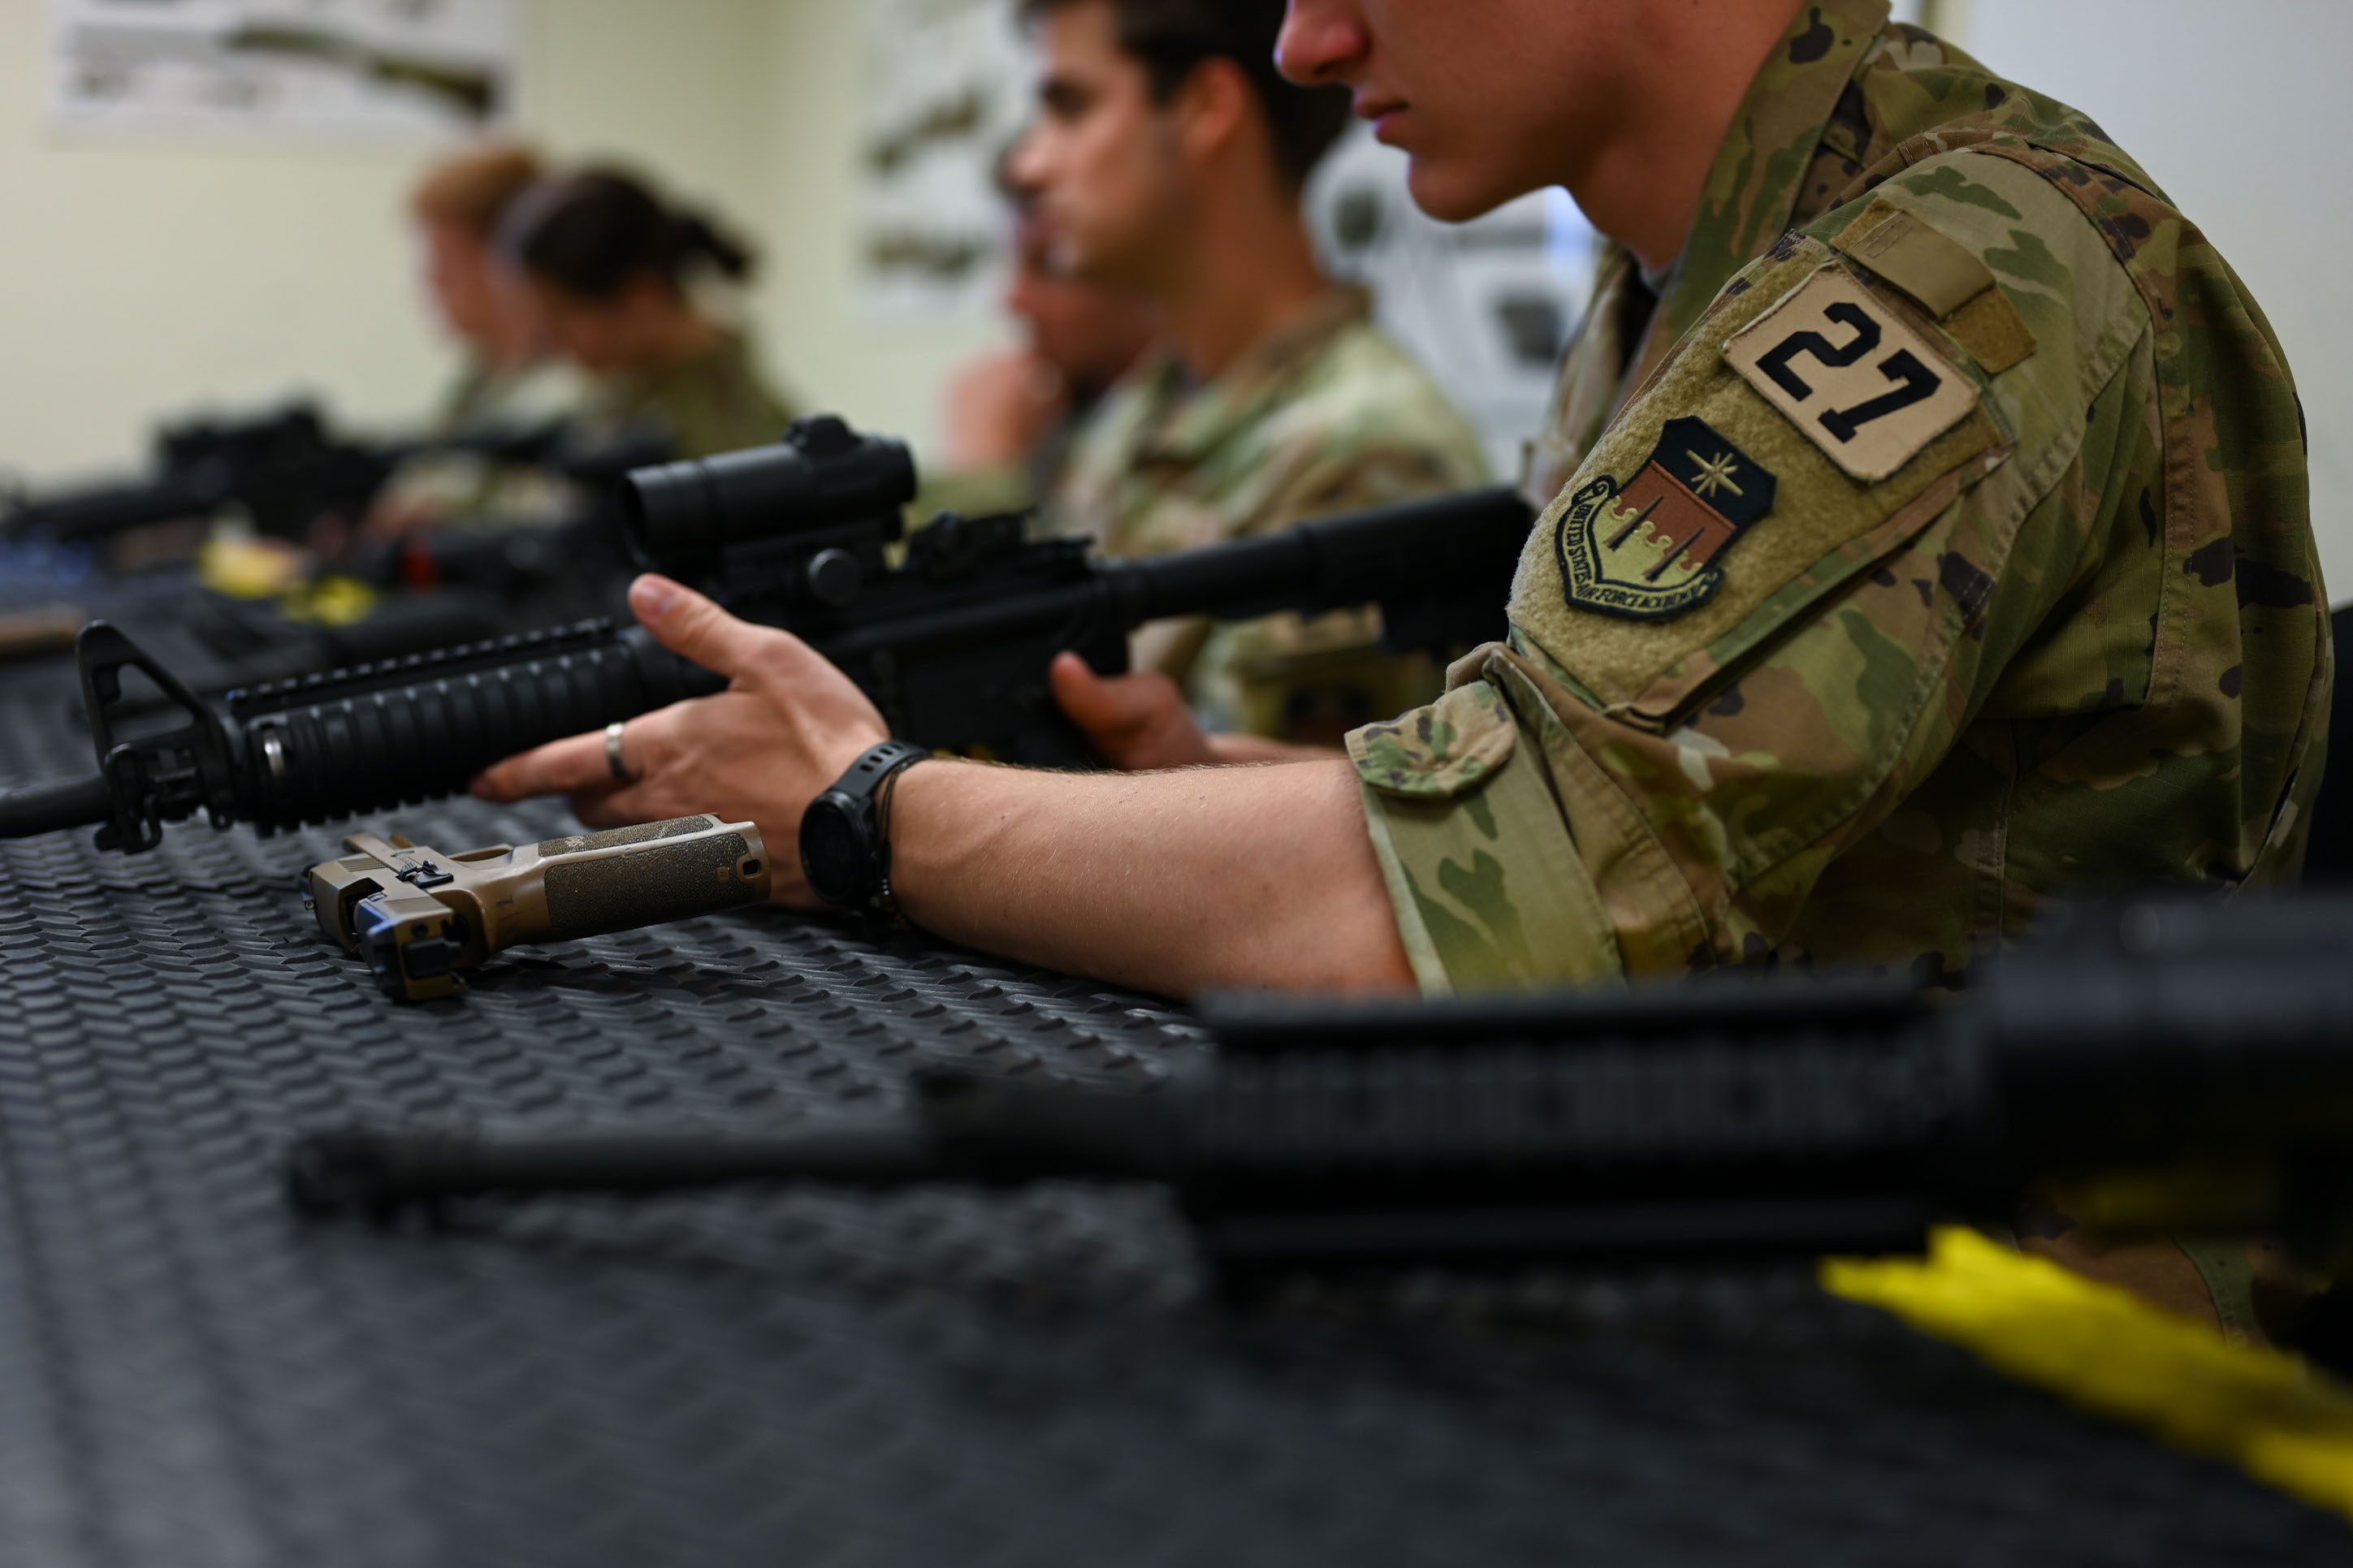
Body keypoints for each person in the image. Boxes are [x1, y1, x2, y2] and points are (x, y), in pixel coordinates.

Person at [475, 2, 2327, 1335]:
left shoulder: (1944, 272)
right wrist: (1206, 791)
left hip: (2016, 1336)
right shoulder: (1691, 264)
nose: (1301, 44)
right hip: (1753, 1200)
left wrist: (864, 807)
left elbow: (1451, 916)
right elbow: (1569, 792)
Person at [1009, 0, 1490, 749]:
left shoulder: (1364, 454)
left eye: (1072, 107)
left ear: (1207, 107)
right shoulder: (1141, 410)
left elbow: (1288, 844)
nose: (1029, 165)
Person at [361, 140, 580, 542]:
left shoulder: (581, 382)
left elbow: (565, 514)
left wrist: (446, 511)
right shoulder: (478, 381)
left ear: (509, 260)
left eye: (445, 266)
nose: (430, 286)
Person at [498, 168, 796, 460]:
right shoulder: (633, 391)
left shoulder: (731, 441)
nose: (541, 339)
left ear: (642, 298)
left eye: (559, 316)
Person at [923, 162, 1158, 521]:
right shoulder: (1053, 423)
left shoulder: (1183, 434)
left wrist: (986, 477)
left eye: (1049, 267)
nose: (1014, 297)